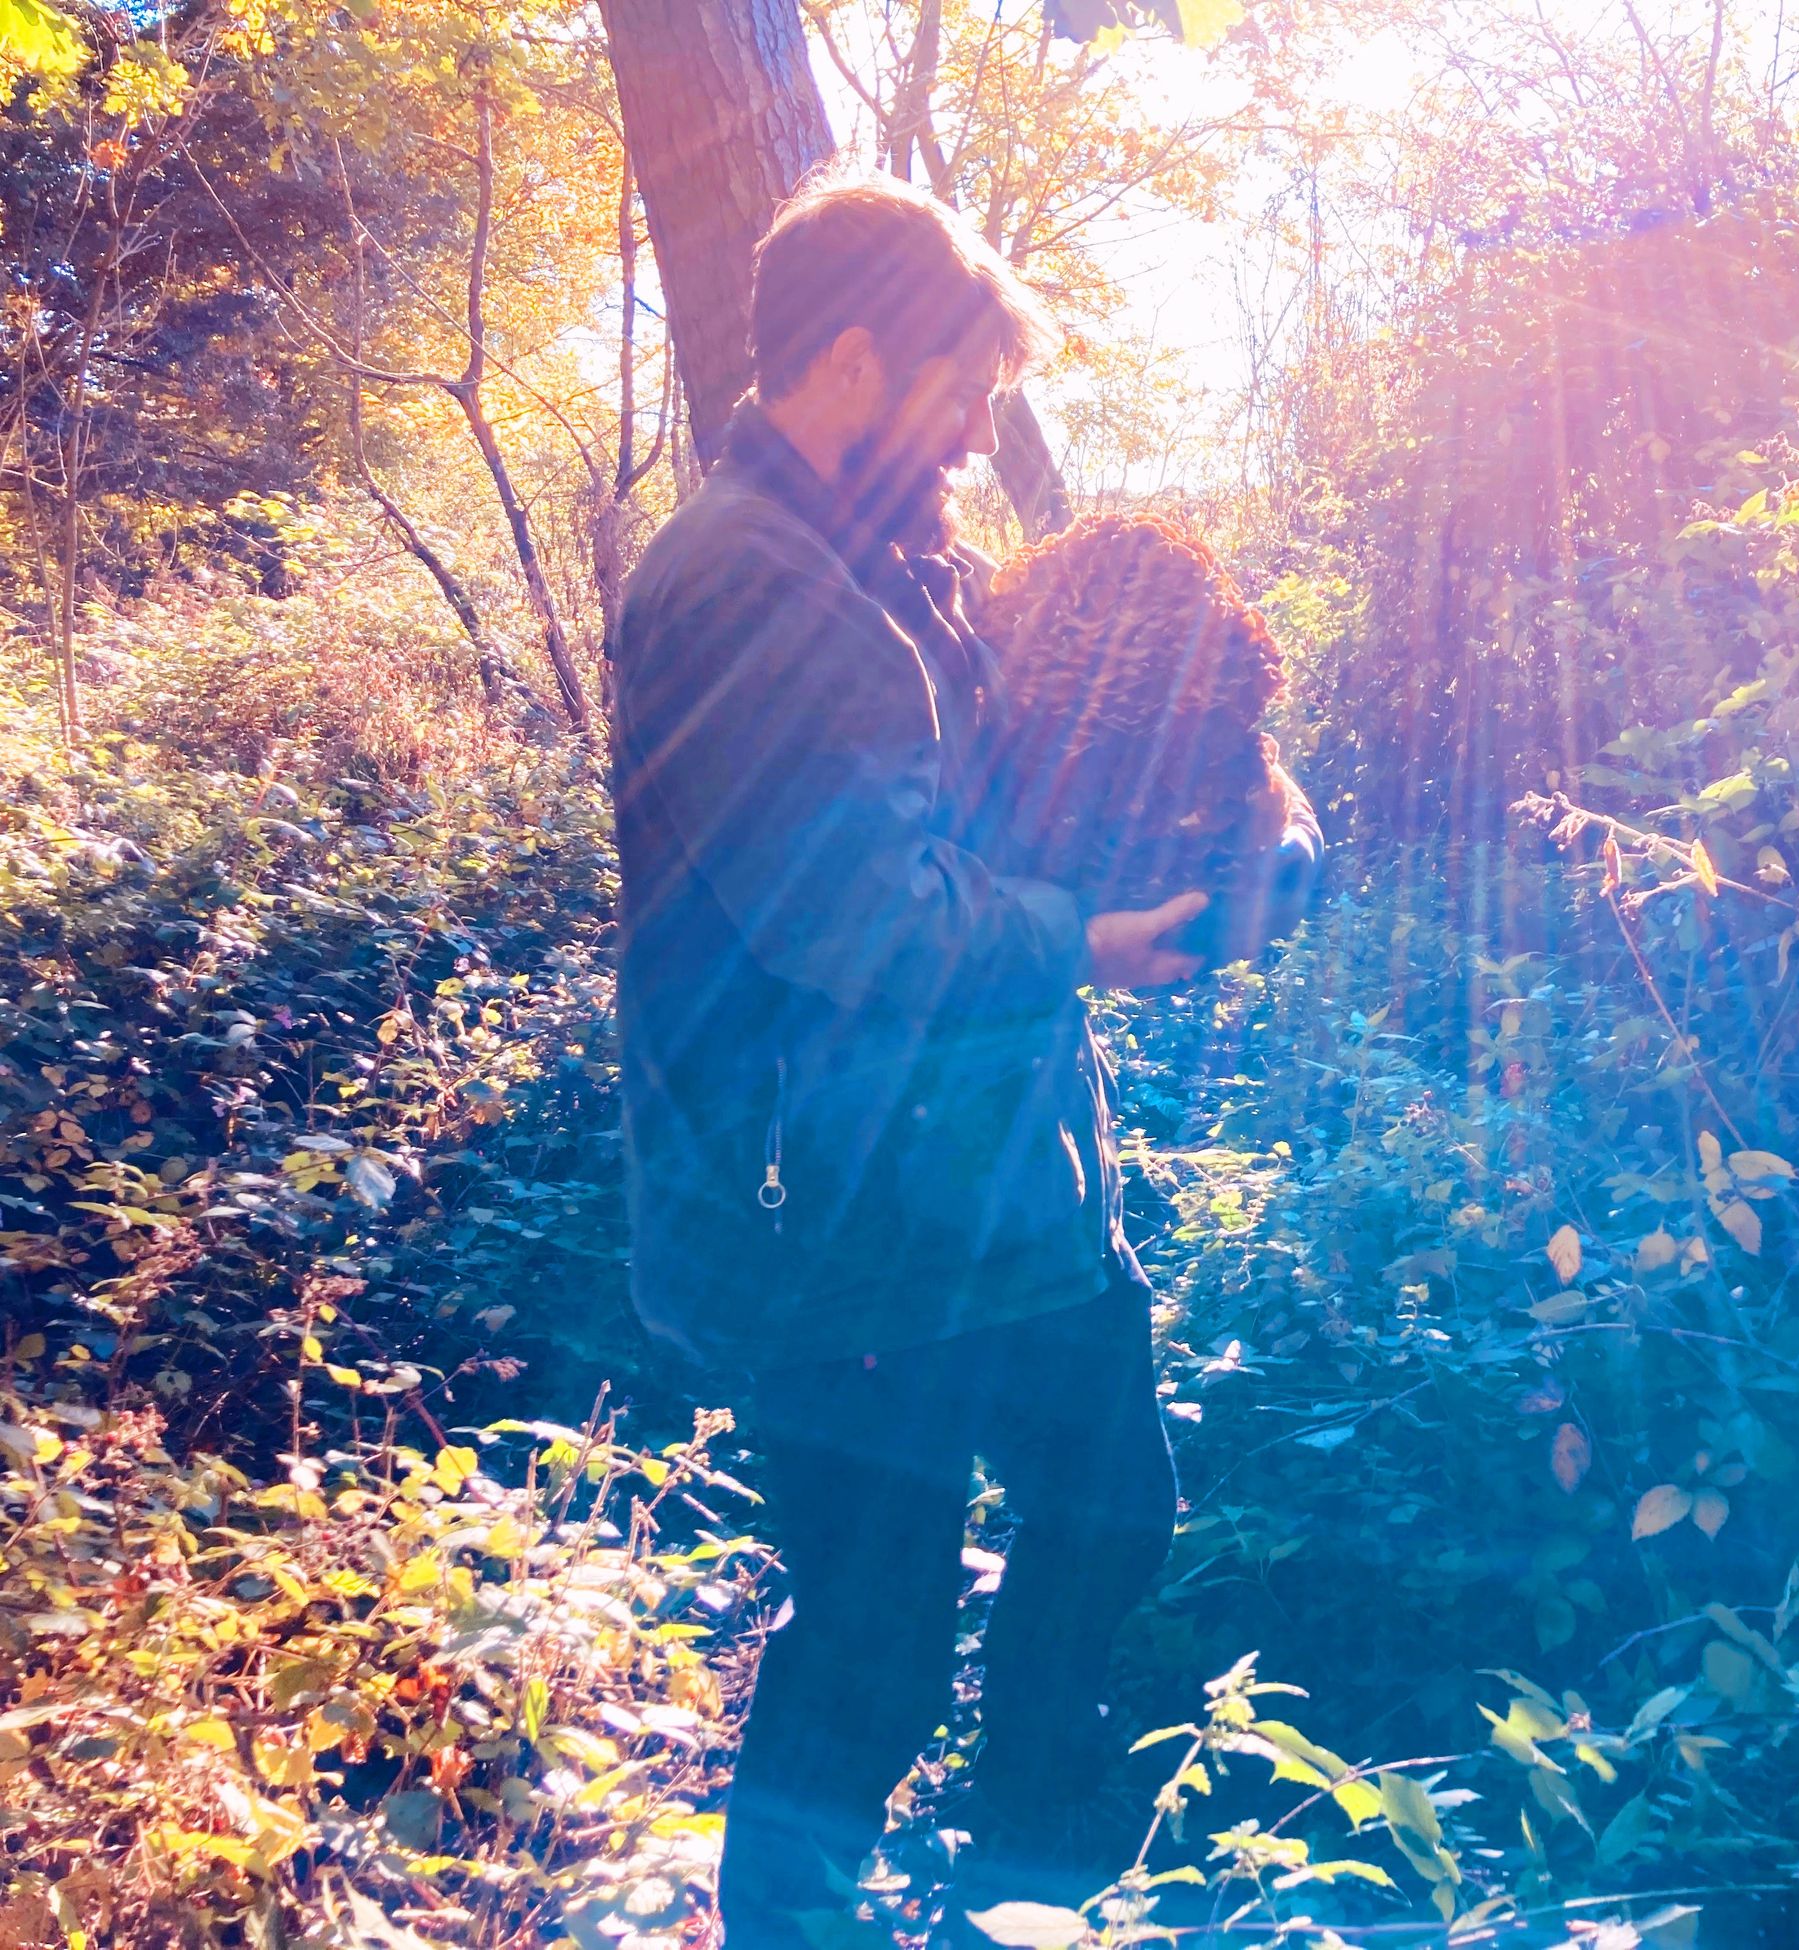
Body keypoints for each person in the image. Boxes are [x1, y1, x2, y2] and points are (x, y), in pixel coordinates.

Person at [607, 176, 1314, 1944]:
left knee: (1108, 1508)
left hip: (1013, 1183)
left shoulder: (889, 547)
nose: (977, 435)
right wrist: (1090, 940)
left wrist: (1235, 769)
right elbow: (853, 913)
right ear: (855, 361)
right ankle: (794, 1923)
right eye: (959, 392)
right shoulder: (739, 586)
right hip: (833, 1216)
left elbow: (1035, 741)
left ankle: (1022, 1886)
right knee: (871, 1624)